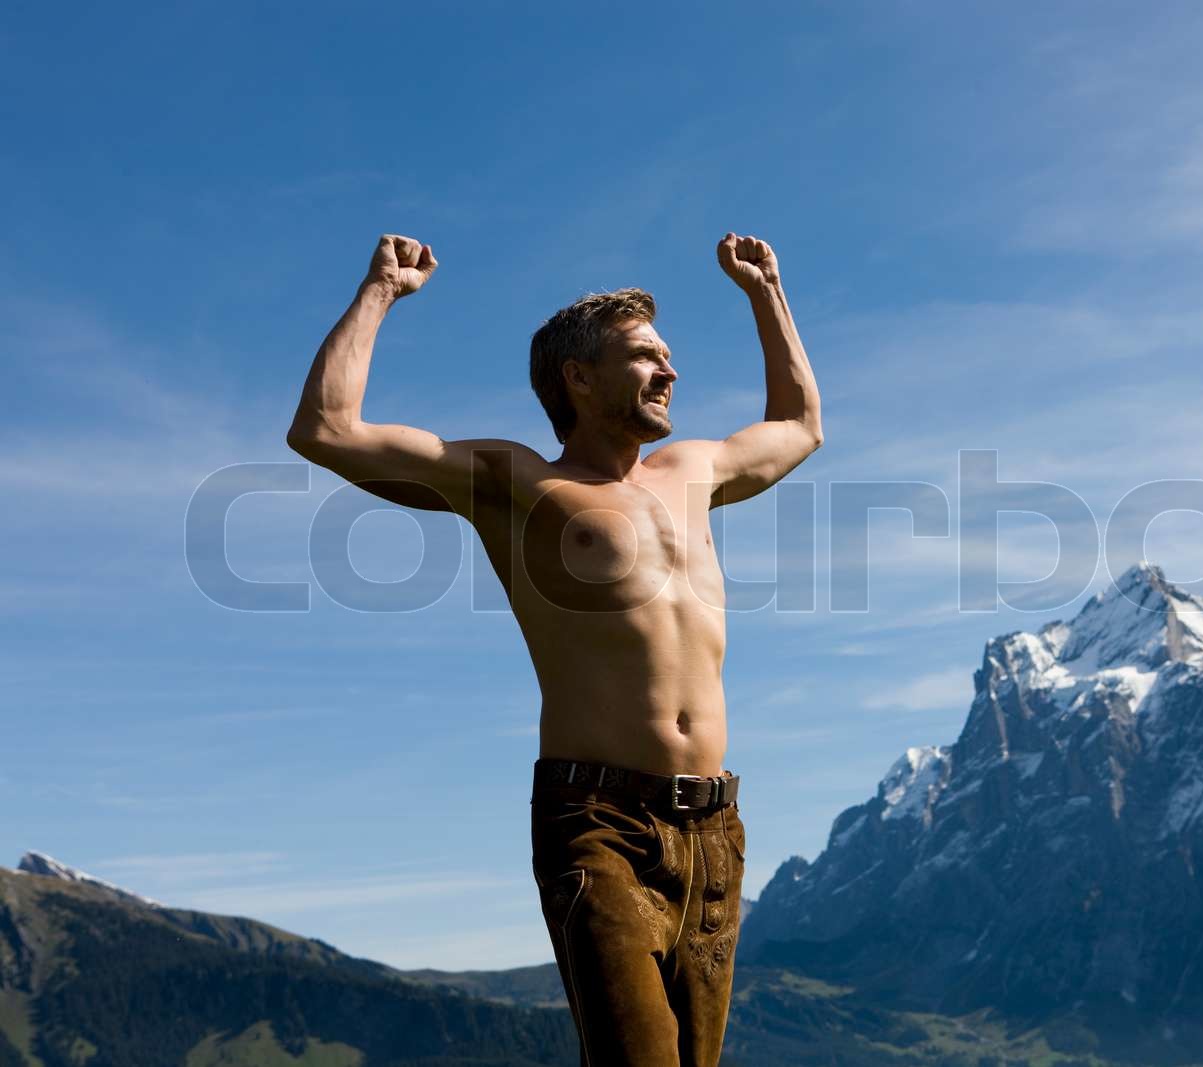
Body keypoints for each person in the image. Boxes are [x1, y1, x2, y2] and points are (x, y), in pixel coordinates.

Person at [286, 231, 823, 1066]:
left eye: (667, 354)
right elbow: (325, 429)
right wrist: (380, 292)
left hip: (714, 830)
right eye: (645, 356)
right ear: (579, 377)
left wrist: (767, 292)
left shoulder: (694, 469)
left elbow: (799, 425)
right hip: (600, 825)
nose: (670, 370)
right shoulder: (518, 482)